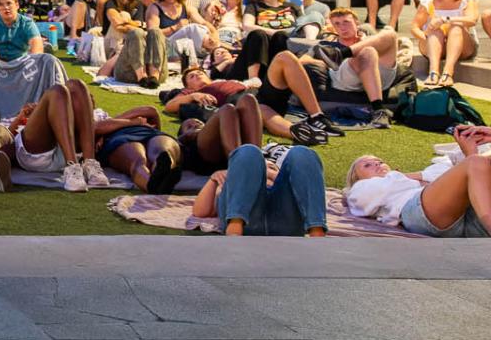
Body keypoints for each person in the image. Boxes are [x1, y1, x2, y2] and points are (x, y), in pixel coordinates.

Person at [344, 127, 490, 237]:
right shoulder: (360, 188)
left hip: (467, 218)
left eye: (379, 161)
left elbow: (451, 170)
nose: (376, 164)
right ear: (356, 178)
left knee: (481, 162)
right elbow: (468, 167)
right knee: (475, 162)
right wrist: (416, 178)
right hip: (421, 214)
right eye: (367, 165)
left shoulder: (404, 179)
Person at [191, 143, 328, 236]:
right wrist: (213, 180)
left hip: (286, 219)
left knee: (302, 153)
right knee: (248, 151)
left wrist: (269, 173)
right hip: (246, 221)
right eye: (260, 166)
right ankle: (234, 229)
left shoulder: (288, 184)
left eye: (271, 167)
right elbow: (200, 211)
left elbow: (311, 192)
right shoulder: (237, 181)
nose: (263, 169)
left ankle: (317, 232)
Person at [7, 80, 107, 192]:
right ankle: (72, 167)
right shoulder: (32, 113)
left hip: (70, 149)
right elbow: (7, 134)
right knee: (57, 91)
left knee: (77, 84)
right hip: (38, 152)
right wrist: (22, 117)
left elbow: (106, 125)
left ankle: (90, 164)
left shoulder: (98, 115)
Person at [92, 104, 183, 193]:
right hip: (118, 137)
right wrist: (133, 122)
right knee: (138, 161)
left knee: (162, 153)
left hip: (148, 131)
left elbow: (151, 111)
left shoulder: (103, 114)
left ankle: (163, 176)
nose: (90, 96)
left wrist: (114, 122)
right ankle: (151, 184)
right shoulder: (86, 119)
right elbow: (96, 128)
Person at [416, 0, 481, 88]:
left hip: (463, 47)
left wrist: (445, 19)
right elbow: (414, 28)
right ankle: (433, 72)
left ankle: (448, 73)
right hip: (433, 45)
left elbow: (472, 20)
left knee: (456, 26)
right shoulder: (428, 1)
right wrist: (425, 37)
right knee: (435, 29)